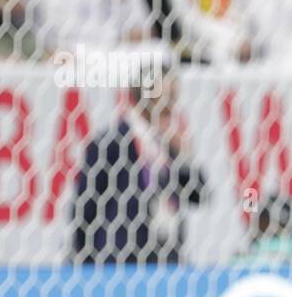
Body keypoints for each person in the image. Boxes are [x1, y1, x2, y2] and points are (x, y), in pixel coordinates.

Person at [70, 65, 207, 264]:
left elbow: (199, 196)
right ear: (142, 96)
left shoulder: (169, 144)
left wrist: (184, 156)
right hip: (119, 262)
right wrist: (86, 264)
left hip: (165, 259)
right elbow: (85, 208)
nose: (171, 105)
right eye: (165, 97)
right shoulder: (111, 142)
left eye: (174, 97)